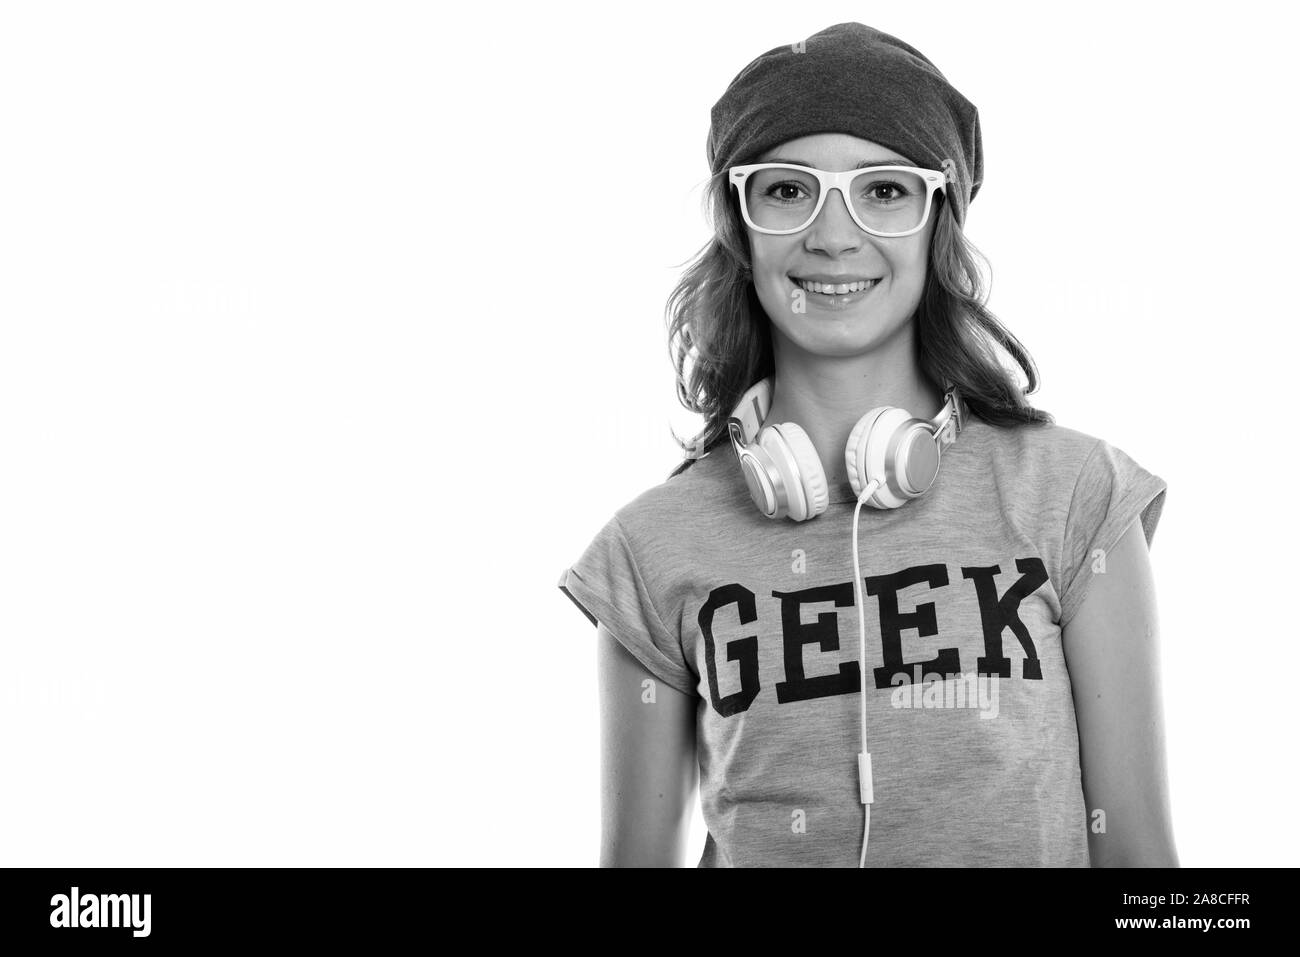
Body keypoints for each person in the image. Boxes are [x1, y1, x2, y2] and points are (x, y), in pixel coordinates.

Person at [557, 21, 1177, 868]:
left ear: (939, 219)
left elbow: (1150, 877)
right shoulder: (648, 548)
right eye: (788, 190)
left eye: (884, 190)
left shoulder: (1077, 497)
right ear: (740, 226)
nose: (833, 236)